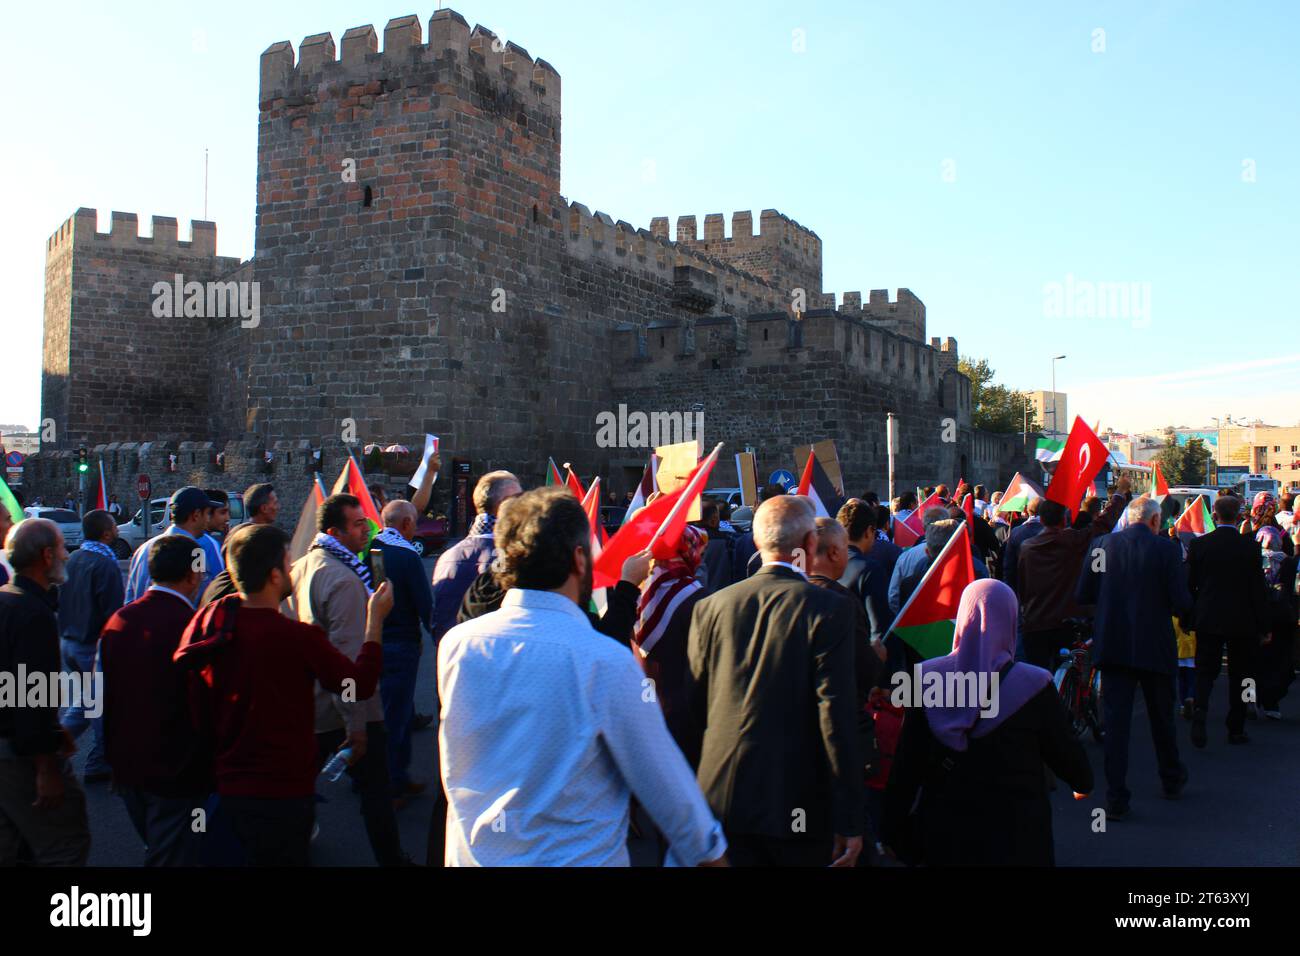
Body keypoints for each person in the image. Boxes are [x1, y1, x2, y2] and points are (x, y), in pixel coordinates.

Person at [437, 487, 728, 866]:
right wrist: (710, 854)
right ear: (579, 559)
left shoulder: (457, 644)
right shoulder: (603, 659)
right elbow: (670, 791)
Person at [174, 524, 391, 866]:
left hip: (227, 785)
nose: (292, 569)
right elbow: (357, 684)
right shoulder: (295, 639)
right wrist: (374, 621)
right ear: (274, 575)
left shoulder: (210, 621)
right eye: (288, 562)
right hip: (283, 791)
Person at [686, 495, 863, 867]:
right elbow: (835, 716)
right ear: (810, 544)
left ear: (756, 542)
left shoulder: (711, 606)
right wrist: (849, 817)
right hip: (796, 801)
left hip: (721, 796)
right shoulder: (830, 609)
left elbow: (695, 709)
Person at [880, 580, 1092, 866]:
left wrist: (893, 833)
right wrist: (1081, 782)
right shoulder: (1035, 684)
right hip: (1018, 838)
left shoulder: (924, 679)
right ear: (1010, 621)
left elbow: (906, 766)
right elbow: (1069, 758)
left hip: (945, 836)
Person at [288, 493, 410, 866]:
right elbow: (348, 654)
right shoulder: (343, 580)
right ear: (333, 532)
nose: (366, 530)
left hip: (314, 703)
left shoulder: (303, 565)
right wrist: (356, 725)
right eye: (357, 524)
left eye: (365, 522)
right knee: (376, 794)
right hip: (347, 711)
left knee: (301, 792)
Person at [1076, 497, 1191, 817]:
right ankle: (1170, 779)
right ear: (1155, 522)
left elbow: (1083, 593)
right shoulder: (1167, 550)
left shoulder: (1102, 544)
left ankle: (1116, 798)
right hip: (1155, 645)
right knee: (1161, 719)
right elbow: (1181, 601)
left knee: (1116, 724)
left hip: (1112, 644)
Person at [99, 535, 208, 865]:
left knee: (158, 843)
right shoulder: (193, 627)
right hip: (177, 769)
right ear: (192, 575)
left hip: (128, 763)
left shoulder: (119, 620)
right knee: (175, 852)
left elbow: (102, 697)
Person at [0, 519, 91, 865]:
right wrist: (46, 768)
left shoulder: (7, 599)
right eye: (63, 549)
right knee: (65, 842)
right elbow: (29, 697)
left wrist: (56, 730)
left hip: (9, 747)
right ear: (47, 554)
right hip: (19, 755)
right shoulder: (32, 613)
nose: (68, 556)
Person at [1015, 478, 1129, 672]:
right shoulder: (1072, 540)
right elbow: (1103, 524)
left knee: (1036, 676)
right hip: (1064, 621)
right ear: (1064, 519)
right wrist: (1119, 494)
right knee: (1068, 672)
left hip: (1035, 622)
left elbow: (1022, 586)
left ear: (1041, 519)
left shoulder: (1027, 548)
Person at [1186, 494, 1271, 745]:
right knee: (1243, 673)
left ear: (1215, 513)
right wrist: (1264, 625)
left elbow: (1190, 585)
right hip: (1243, 619)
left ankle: (1200, 712)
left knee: (1205, 670)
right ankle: (1237, 725)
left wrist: (1189, 615)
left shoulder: (1200, 545)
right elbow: (1258, 588)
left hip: (1209, 615)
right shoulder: (1249, 547)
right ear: (1238, 516)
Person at [371, 500, 434, 802]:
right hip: (401, 644)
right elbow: (425, 604)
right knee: (395, 718)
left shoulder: (367, 548)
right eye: (416, 523)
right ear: (407, 524)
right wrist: (438, 635)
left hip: (370, 641)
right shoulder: (407, 557)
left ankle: (373, 778)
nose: (418, 528)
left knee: (378, 712)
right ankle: (394, 783)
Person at [56, 509, 124, 782]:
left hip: (69, 642)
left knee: (85, 704)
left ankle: (54, 748)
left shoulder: (73, 559)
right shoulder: (105, 564)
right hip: (91, 647)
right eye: (114, 525)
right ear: (106, 533)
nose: (118, 529)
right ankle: (99, 761)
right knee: (103, 707)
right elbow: (113, 615)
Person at [429, 471, 521, 644]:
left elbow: (438, 621)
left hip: (450, 658)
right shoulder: (512, 557)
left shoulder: (447, 557)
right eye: (519, 499)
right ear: (503, 505)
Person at [126, 486, 220, 602]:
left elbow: (129, 599)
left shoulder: (144, 549)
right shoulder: (197, 552)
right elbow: (200, 595)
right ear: (196, 515)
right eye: (207, 514)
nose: (208, 519)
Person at [837, 499, 901, 658]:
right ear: (868, 531)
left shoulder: (827, 564)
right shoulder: (869, 570)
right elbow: (879, 629)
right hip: (862, 661)